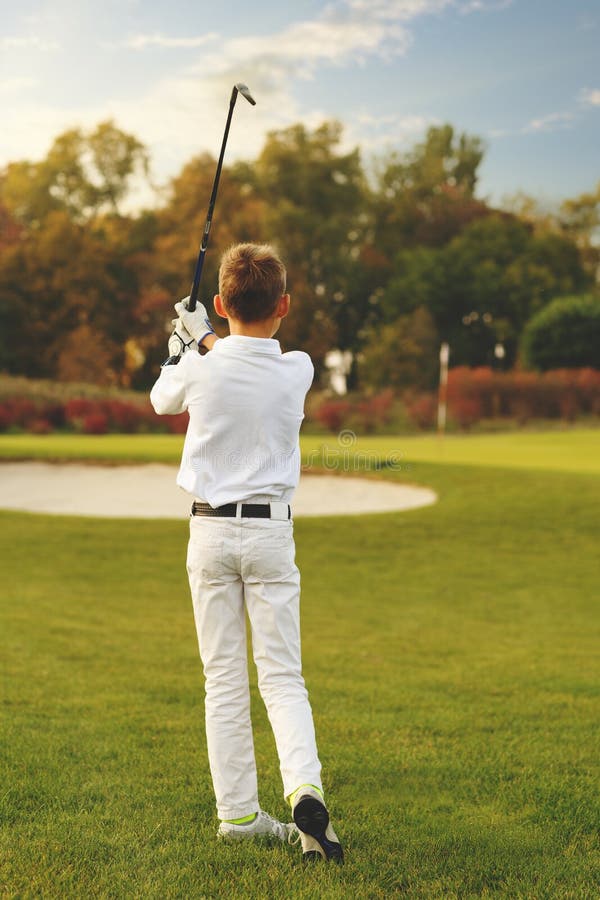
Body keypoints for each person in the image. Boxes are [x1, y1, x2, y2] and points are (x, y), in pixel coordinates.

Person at [150, 243, 343, 863]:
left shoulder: (199, 366)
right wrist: (202, 339)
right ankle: (305, 790)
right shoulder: (298, 368)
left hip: (209, 533)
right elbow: (242, 355)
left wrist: (184, 343)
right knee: (282, 676)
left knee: (224, 679)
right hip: (270, 535)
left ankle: (237, 815)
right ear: (283, 305)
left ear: (220, 300)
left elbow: (161, 399)